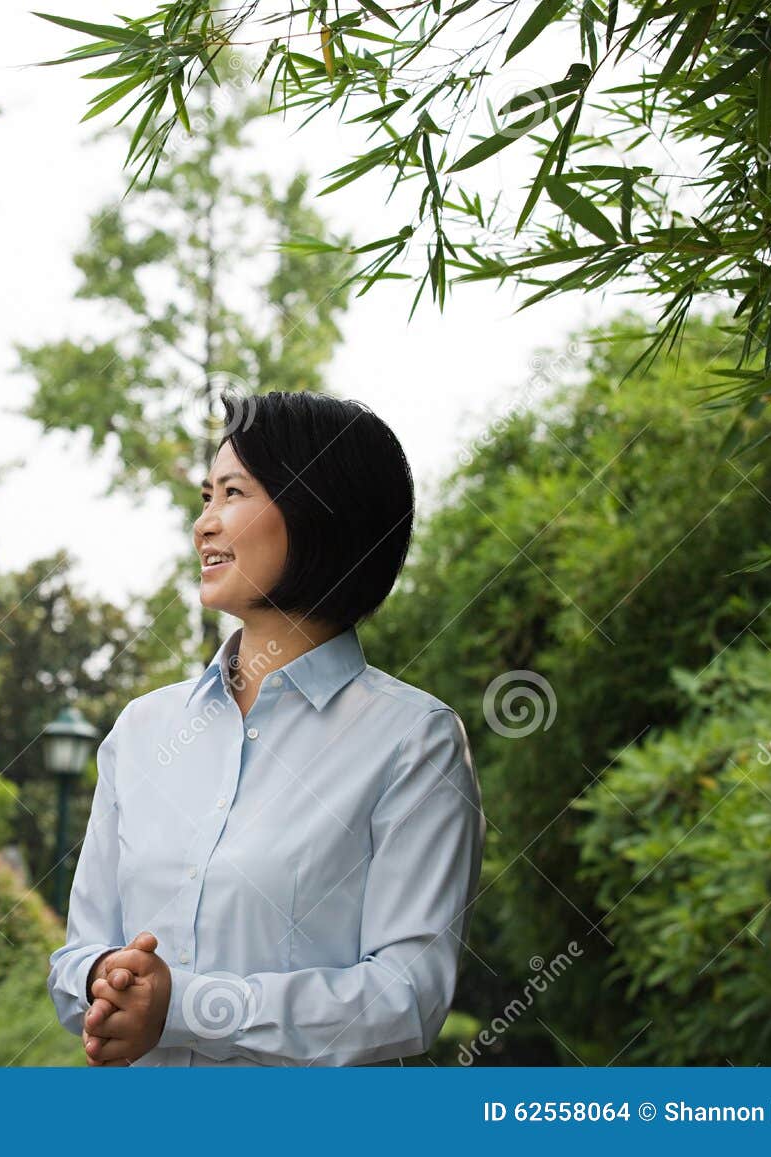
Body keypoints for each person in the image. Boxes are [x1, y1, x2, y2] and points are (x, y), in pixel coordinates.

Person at [47, 390, 485, 1067]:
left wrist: (183, 1004)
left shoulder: (412, 741)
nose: (205, 524)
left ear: (319, 510)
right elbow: (75, 959)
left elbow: (408, 996)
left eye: (233, 493)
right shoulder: (142, 731)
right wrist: (106, 978)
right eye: (205, 497)